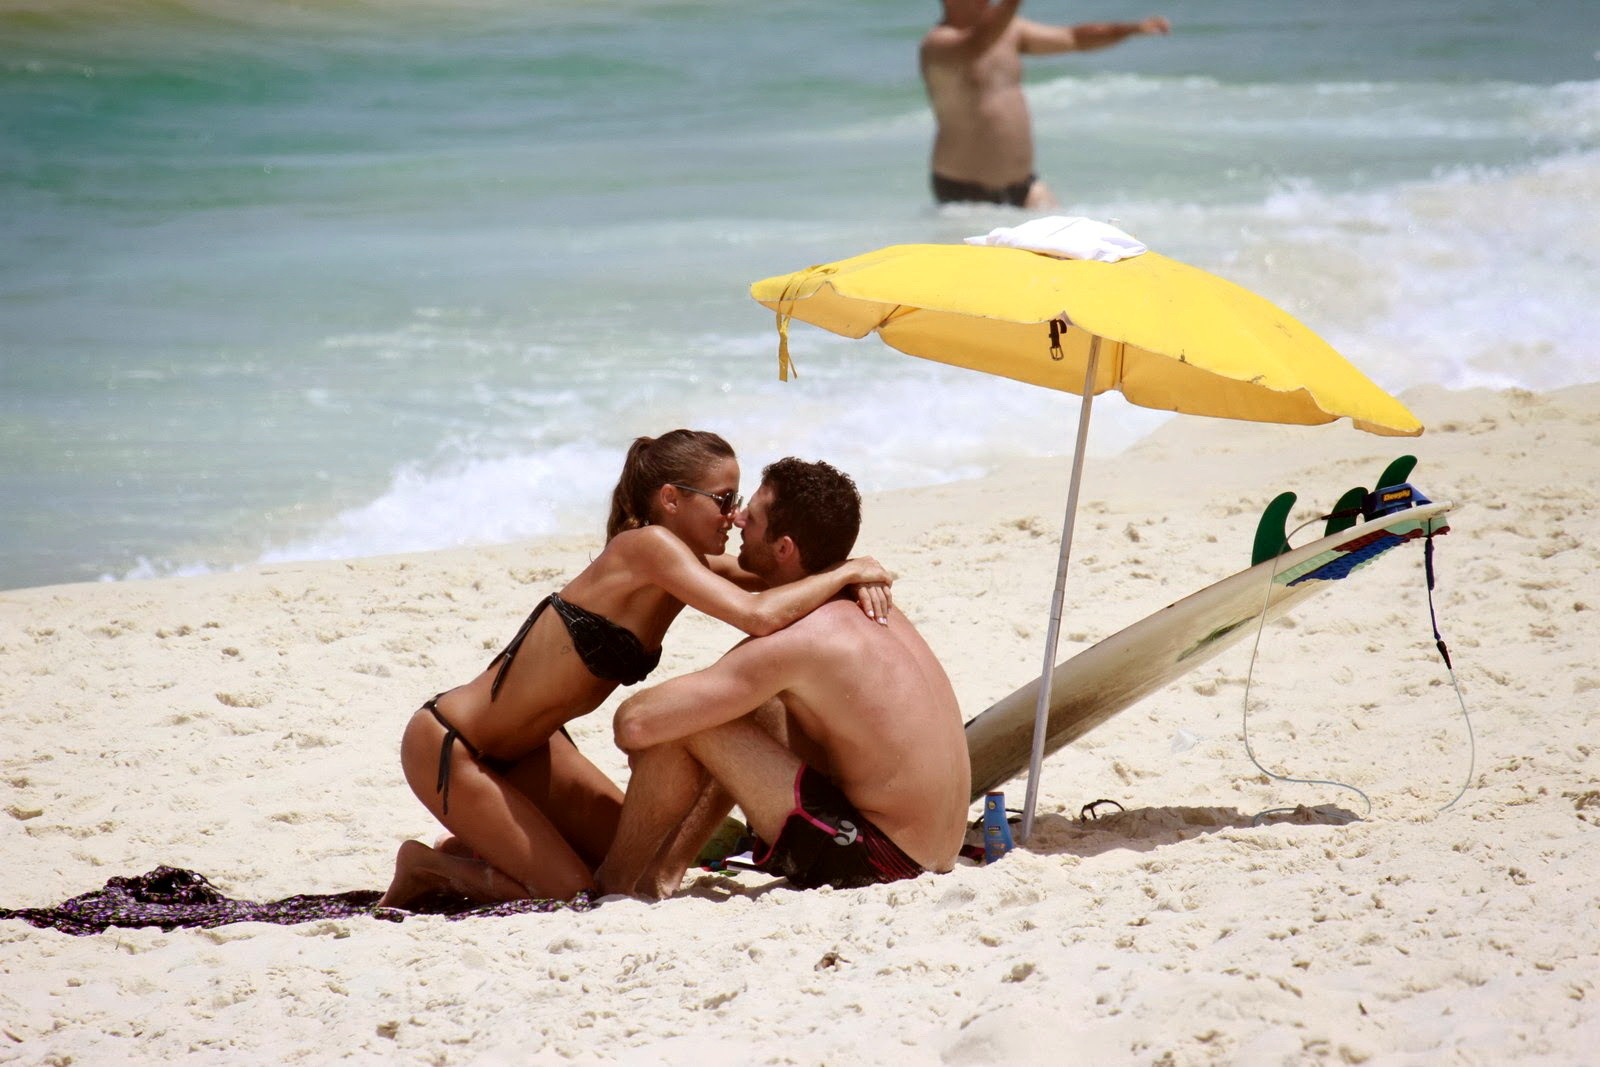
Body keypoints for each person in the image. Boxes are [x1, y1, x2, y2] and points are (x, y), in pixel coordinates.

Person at [378, 431, 894, 908]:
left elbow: (774, 577)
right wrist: (850, 572)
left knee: (628, 860)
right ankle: (425, 866)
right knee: (576, 892)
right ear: (671, 499)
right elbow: (758, 616)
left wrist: (846, 569)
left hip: (533, 752)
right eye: (723, 500)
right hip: (455, 747)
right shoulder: (647, 548)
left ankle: (475, 843)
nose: (734, 517)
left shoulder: (685, 562)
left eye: (736, 503)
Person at [595, 458, 971, 900]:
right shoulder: (864, 605)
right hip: (934, 850)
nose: (735, 518)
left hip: (882, 861)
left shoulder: (802, 638)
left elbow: (634, 723)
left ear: (784, 549)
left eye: (750, 518)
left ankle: (614, 883)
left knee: (691, 717)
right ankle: (663, 872)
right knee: (743, 701)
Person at [920, 0, 1171, 209]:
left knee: (1064, 248)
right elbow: (978, 43)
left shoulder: (1009, 31)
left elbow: (1074, 38)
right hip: (963, 191)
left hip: (1025, 185)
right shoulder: (938, 44)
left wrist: (1132, 29)